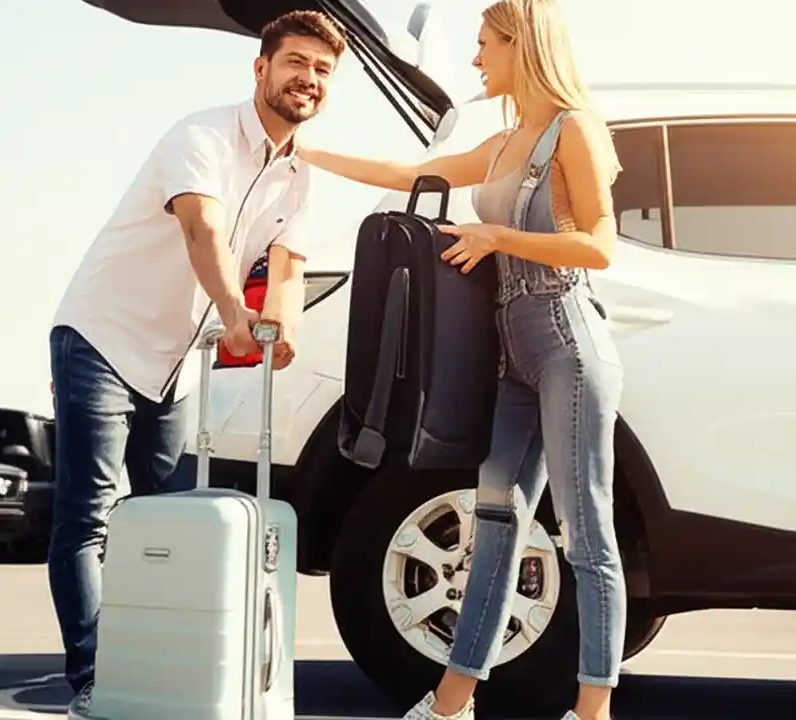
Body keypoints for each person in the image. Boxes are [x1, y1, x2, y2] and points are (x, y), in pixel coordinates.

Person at [295, 1, 624, 718]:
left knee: (588, 534)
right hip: (512, 357)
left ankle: (592, 712)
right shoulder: (506, 143)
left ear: (521, 46)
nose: (476, 59)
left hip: (567, 341)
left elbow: (600, 245)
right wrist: (301, 149)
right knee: (496, 525)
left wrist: (500, 239)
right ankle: (450, 706)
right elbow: (410, 170)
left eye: (484, 45)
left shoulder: (576, 130)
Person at [47, 9, 346, 717]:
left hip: (174, 363)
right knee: (89, 519)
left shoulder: (299, 174)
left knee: (167, 522)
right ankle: (95, 681)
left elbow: (289, 264)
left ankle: (164, 668)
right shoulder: (202, 134)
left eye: (323, 70)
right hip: (102, 336)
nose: (308, 78)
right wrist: (237, 317)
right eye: (297, 62)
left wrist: (285, 324)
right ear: (262, 68)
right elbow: (202, 226)